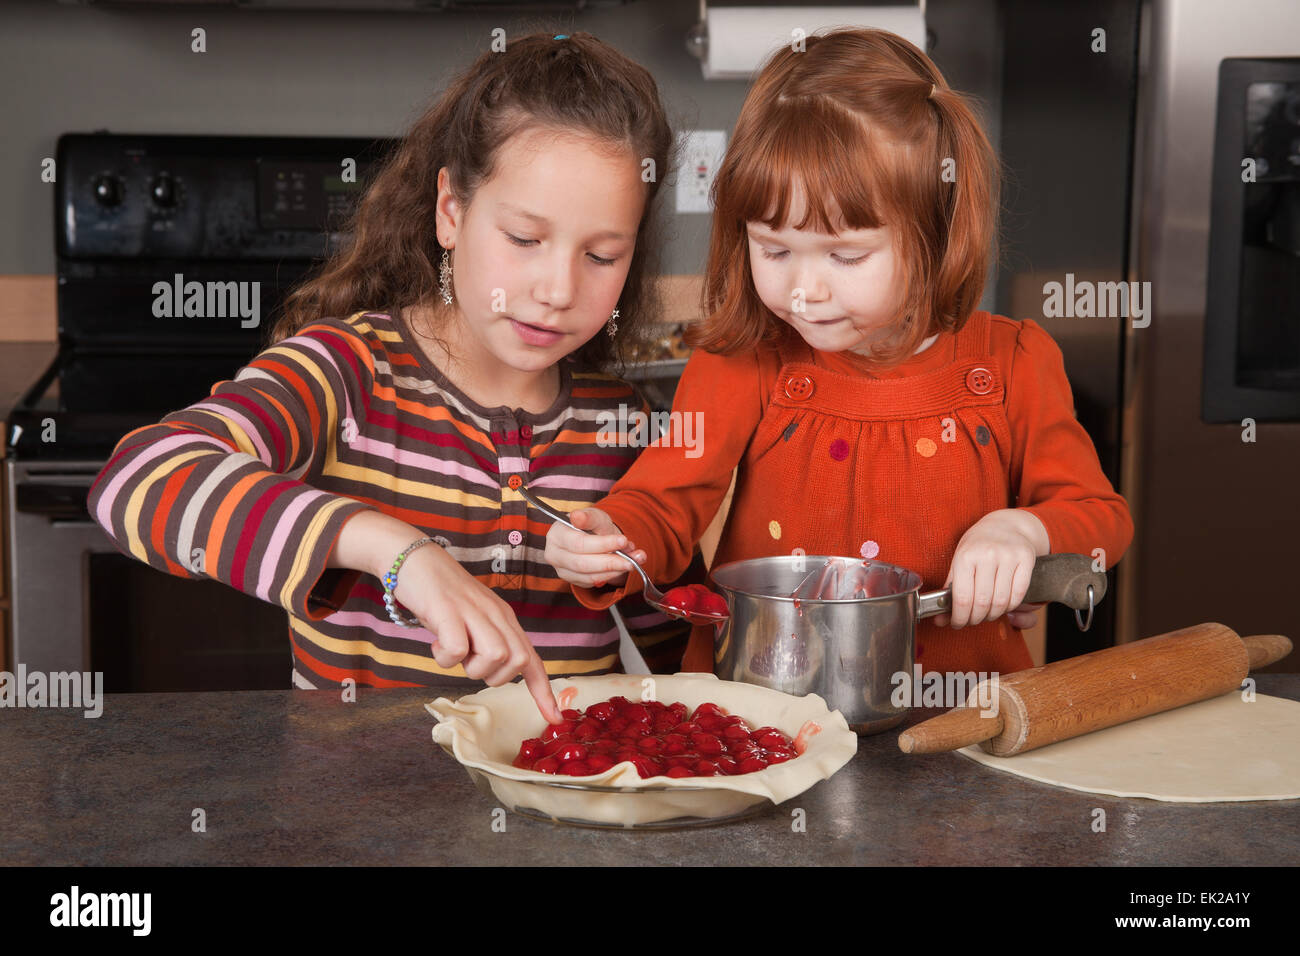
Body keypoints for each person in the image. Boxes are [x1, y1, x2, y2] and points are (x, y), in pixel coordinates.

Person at [88, 31, 699, 722]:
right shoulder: (346, 374)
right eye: (524, 239)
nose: (558, 289)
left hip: (561, 815)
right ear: (451, 212)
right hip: (357, 815)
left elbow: (694, 651)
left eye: (602, 255)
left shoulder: (624, 425)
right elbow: (139, 480)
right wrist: (396, 551)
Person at [543, 28, 1135, 676]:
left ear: (936, 231)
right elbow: (662, 504)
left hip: (964, 722)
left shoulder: (1013, 364)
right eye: (774, 249)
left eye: (846, 256)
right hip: (764, 717)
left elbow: (1098, 519)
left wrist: (1026, 533)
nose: (805, 289)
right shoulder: (744, 360)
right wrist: (611, 540)